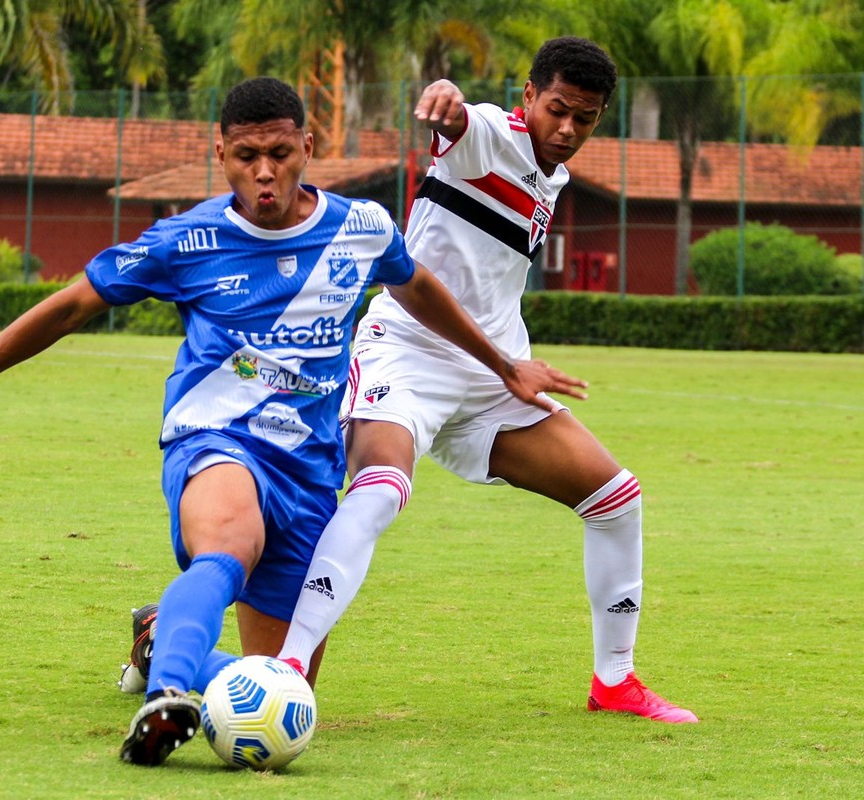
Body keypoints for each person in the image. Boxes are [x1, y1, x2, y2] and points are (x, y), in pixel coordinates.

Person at [0, 76, 586, 768]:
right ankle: (169, 693)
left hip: (308, 473)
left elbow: (415, 285)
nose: (263, 172)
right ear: (221, 154)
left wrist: (505, 366)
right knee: (231, 542)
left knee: (279, 687)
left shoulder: (362, 229)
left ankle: (162, 635)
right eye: (244, 156)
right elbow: (68, 307)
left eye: (278, 152)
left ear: (308, 145)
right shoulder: (190, 238)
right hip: (217, 441)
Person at [274, 37, 698, 723]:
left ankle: (614, 682)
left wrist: (506, 365)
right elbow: (456, 123)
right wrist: (445, 101)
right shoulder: (490, 137)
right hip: (406, 354)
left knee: (616, 498)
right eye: (556, 109)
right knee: (381, 491)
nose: (567, 129)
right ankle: (287, 669)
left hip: (496, 380)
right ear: (526, 95)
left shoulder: (551, 176)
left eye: (585, 119)